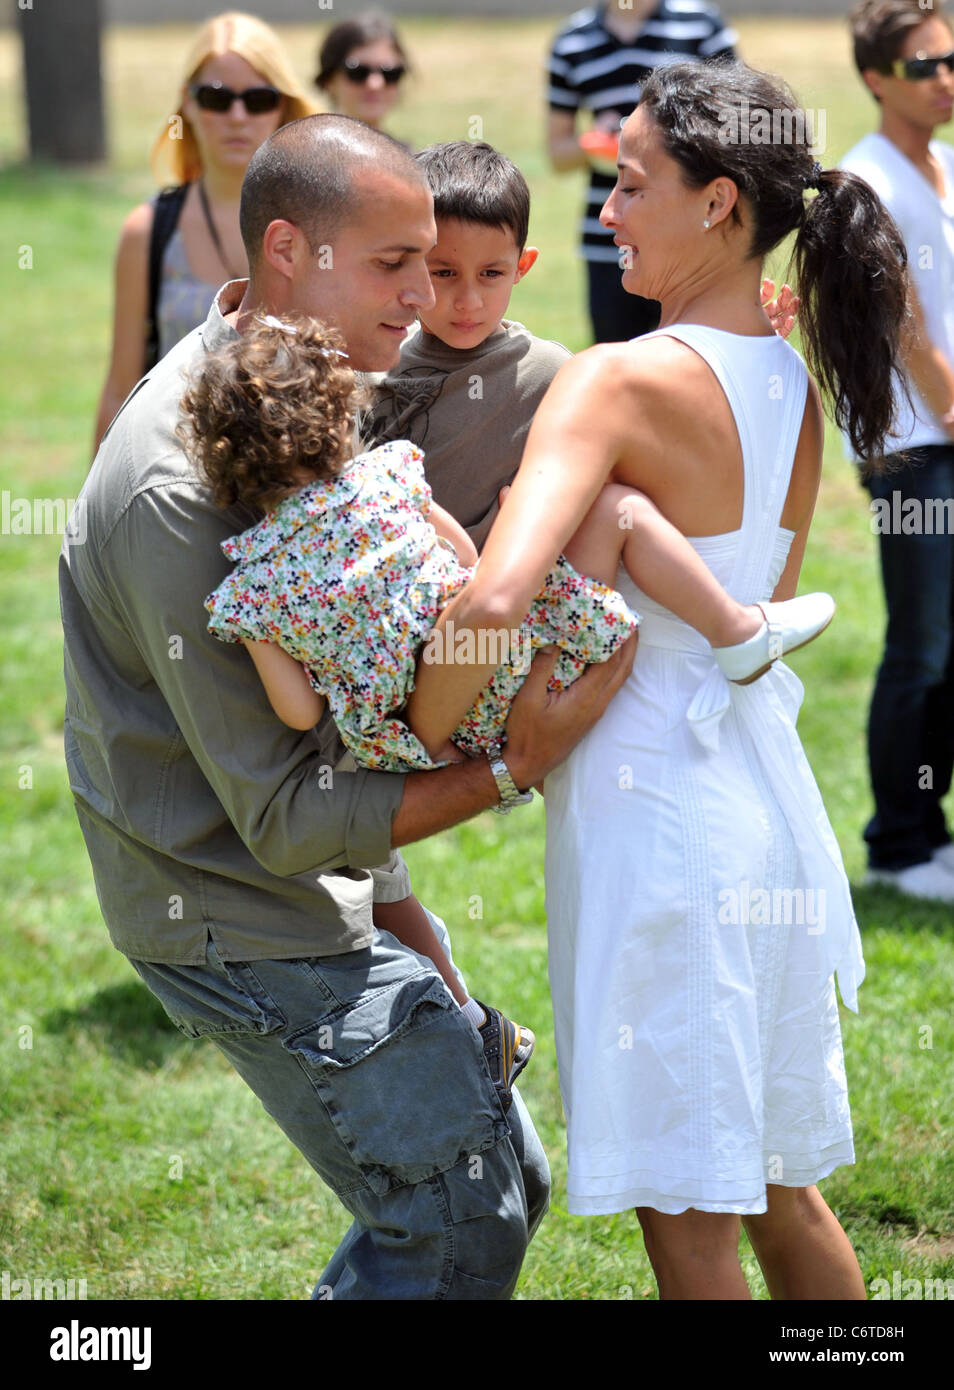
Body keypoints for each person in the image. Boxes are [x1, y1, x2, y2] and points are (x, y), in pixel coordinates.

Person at [61, 112, 646, 1302]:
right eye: (394, 266)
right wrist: (506, 766)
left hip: (310, 877)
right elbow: (281, 810)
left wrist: (399, 902)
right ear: (289, 251)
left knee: (498, 1186)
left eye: (432, 260)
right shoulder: (180, 489)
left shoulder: (294, 395)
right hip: (232, 903)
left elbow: (335, 700)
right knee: (456, 1218)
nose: (426, 294)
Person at [405, 59, 910, 1299]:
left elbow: (495, 596)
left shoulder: (616, 377)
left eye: (630, 186)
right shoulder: (794, 375)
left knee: (689, 1221)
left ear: (720, 201)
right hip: (755, 797)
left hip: (656, 825)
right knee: (784, 1195)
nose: (608, 212)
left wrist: (421, 724)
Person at [842, 0, 954, 904]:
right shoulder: (866, 177)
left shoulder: (945, 165)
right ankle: (898, 845)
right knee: (921, 643)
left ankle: (932, 828)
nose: (945, 78)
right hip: (916, 444)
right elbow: (900, 318)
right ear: (877, 77)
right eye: (925, 65)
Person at [92, 11, 315, 453]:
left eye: (257, 98)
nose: (236, 116)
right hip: (173, 479)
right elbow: (121, 389)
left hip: (296, 478)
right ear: (188, 105)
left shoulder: (322, 223)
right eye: (216, 97)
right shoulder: (148, 231)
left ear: (283, 107)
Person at [546, 0, 736, 344]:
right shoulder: (572, 40)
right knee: (620, 369)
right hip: (610, 241)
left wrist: (662, 144)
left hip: (686, 233)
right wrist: (596, 143)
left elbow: (736, 126)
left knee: (694, 363)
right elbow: (558, 154)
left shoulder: (702, 25)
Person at [314, 12, 410, 133]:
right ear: (328, 80)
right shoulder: (303, 150)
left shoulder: (408, 152)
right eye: (359, 73)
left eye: (390, 73)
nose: (375, 84)